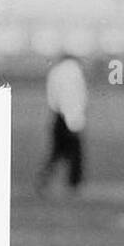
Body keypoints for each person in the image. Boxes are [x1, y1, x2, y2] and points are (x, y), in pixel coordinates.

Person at [35, 53, 88, 193]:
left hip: (58, 115)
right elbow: (71, 97)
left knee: (58, 151)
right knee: (74, 153)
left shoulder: (57, 71)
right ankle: (73, 184)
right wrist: (73, 119)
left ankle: (45, 179)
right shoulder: (72, 72)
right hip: (68, 117)